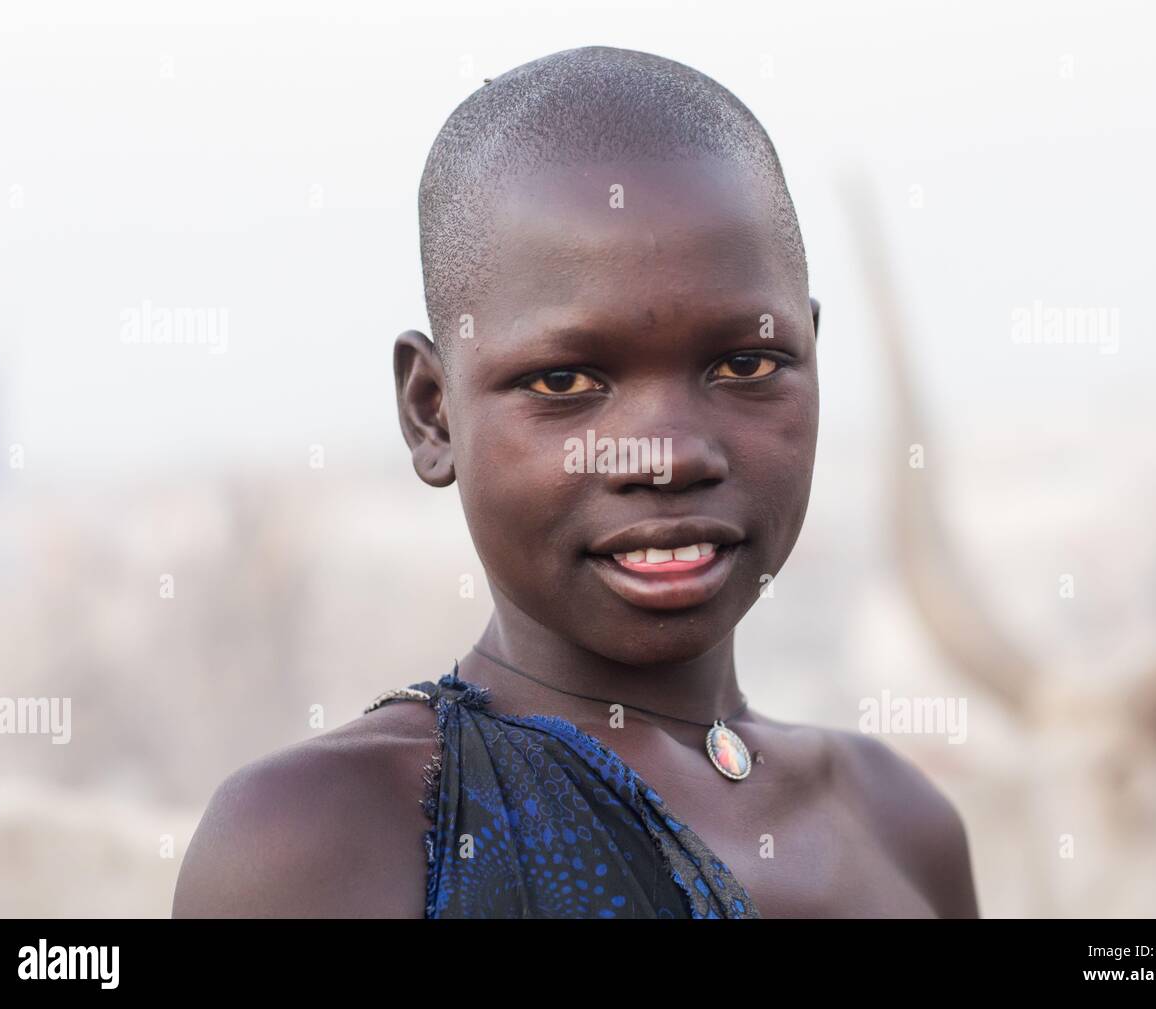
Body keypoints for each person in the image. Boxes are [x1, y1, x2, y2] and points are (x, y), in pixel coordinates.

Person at [172, 45, 980, 919]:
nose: (665, 454)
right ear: (433, 413)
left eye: (744, 362)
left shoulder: (903, 826)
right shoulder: (325, 841)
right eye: (566, 383)